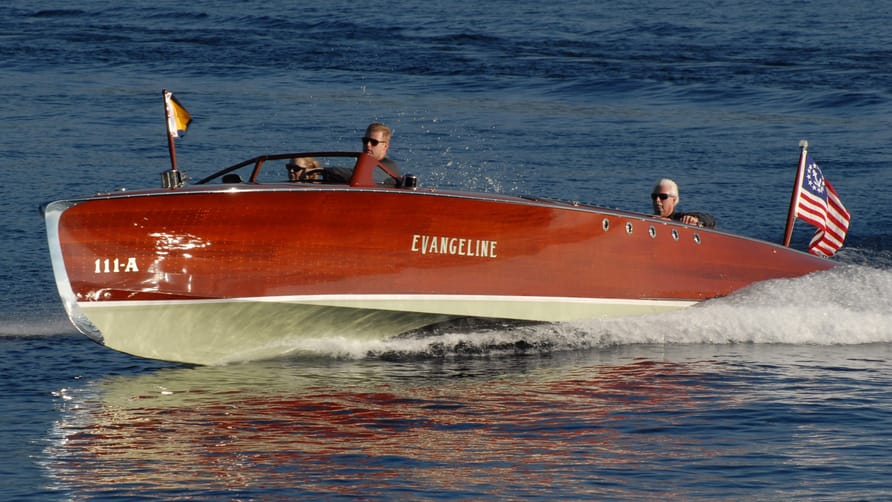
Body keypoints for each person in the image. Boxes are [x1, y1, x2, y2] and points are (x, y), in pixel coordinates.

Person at [651, 178, 716, 228]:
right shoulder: (647, 219)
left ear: (674, 200)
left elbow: (710, 220)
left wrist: (696, 220)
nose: (657, 200)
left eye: (663, 196)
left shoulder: (680, 219)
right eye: (654, 196)